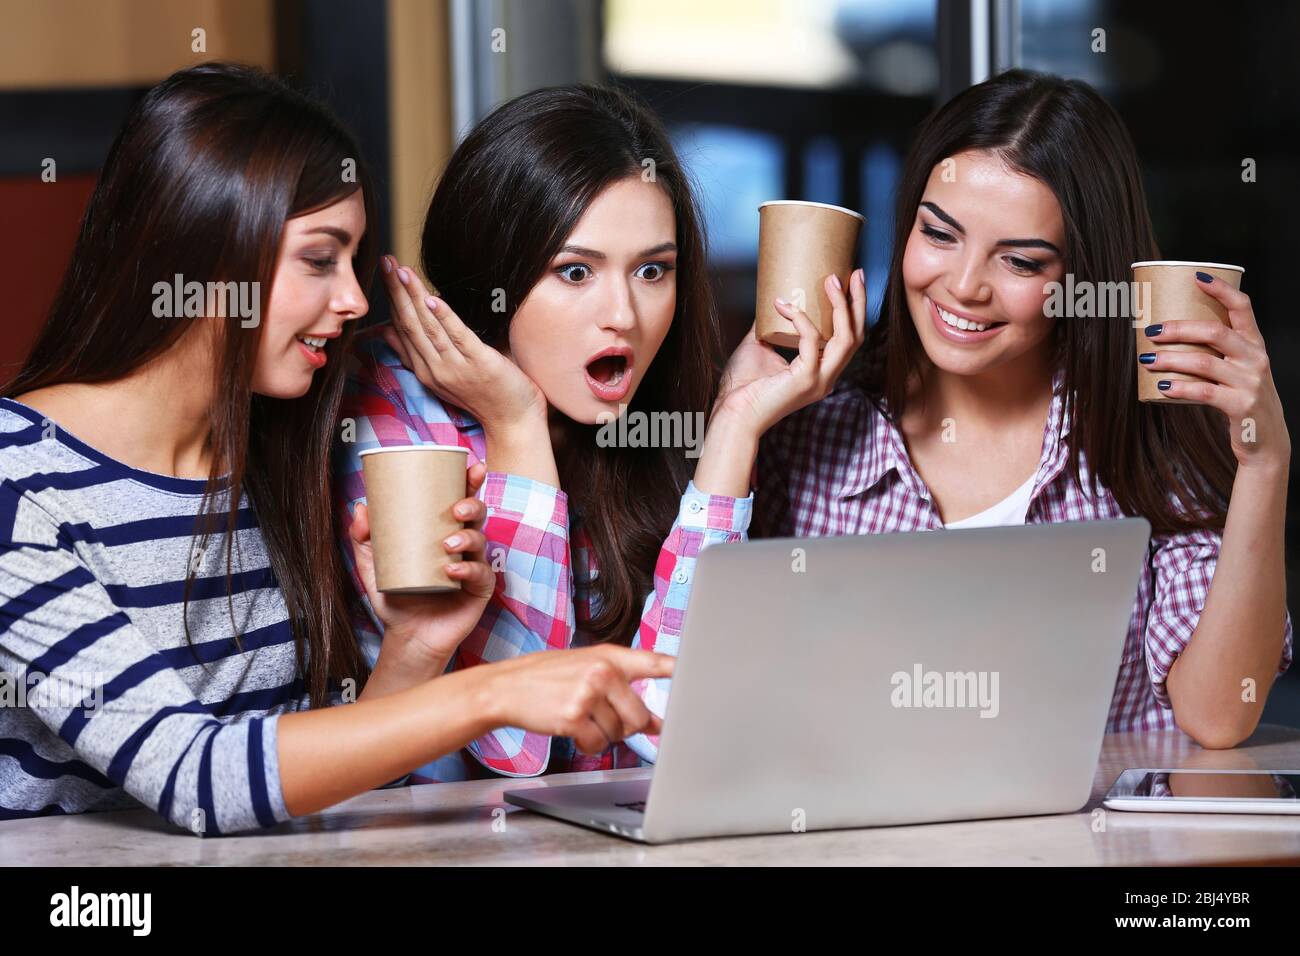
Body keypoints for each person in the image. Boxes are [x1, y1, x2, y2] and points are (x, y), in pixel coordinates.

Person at [0, 64, 670, 833]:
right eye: (320, 260)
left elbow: (309, 787)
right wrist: (495, 691)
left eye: (353, 261)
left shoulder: (274, 456)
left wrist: (414, 652)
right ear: (204, 253)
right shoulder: (19, 479)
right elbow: (198, 775)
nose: (354, 300)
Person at [335, 83, 865, 778]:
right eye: (575, 271)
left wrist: (733, 431)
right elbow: (518, 748)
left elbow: (668, 724)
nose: (623, 314)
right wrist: (515, 423)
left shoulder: (665, 415)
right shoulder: (390, 409)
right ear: (492, 273)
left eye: (652, 270)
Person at [751, 69, 1292, 748]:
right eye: (939, 235)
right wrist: (734, 417)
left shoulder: (1145, 438)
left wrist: (1266, 463)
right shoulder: (806, 437)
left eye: (1021, 263)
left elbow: (1218, 715)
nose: (965, 286)